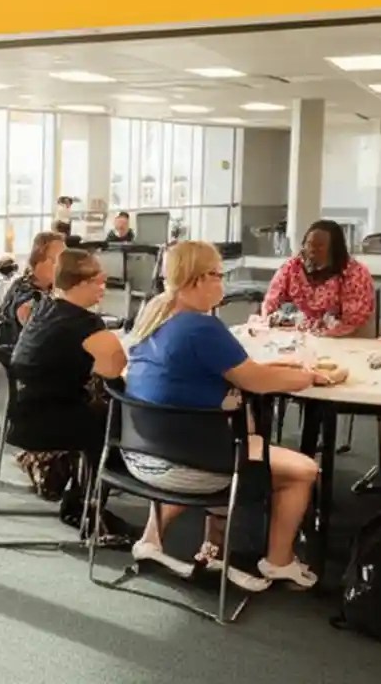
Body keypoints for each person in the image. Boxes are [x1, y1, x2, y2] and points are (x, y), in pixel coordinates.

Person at [125, 241, 326, 590]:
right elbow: (256, 381)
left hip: (142, 456)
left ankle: (158, 540)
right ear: (199, 279)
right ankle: (279, 561)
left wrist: (277, 367)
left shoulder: (154, 316)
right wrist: (307, 376)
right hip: (190, 467)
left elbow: (234, 370)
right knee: (304, 471)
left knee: (197, 441)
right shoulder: (203, 328)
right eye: (219, 275)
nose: (223, 283)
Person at [8, 249, 128, 533]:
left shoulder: (46, 308)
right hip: (47, 421)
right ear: (80, 283)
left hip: (21, 413)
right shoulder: (83, 322)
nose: (103, 288)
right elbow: (115, 368)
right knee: (113, 424)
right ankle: (85, 509)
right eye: (99, 281)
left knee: (100, 412)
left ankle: (80, 497)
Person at [261, 219, 375, 336]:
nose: (312, 250)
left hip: (344, 340)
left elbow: (355, 320)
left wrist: (324, 330)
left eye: (320, 246)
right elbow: (271, 302)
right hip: (296, 337)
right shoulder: (291, 268)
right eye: (309, 244)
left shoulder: (355, 274)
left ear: (334, 250)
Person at [0, 232, 65, 349]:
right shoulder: (27, 294)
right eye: (58, 262)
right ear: (39, 260)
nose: (64, 268)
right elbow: (39, 334)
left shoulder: (43, 285)